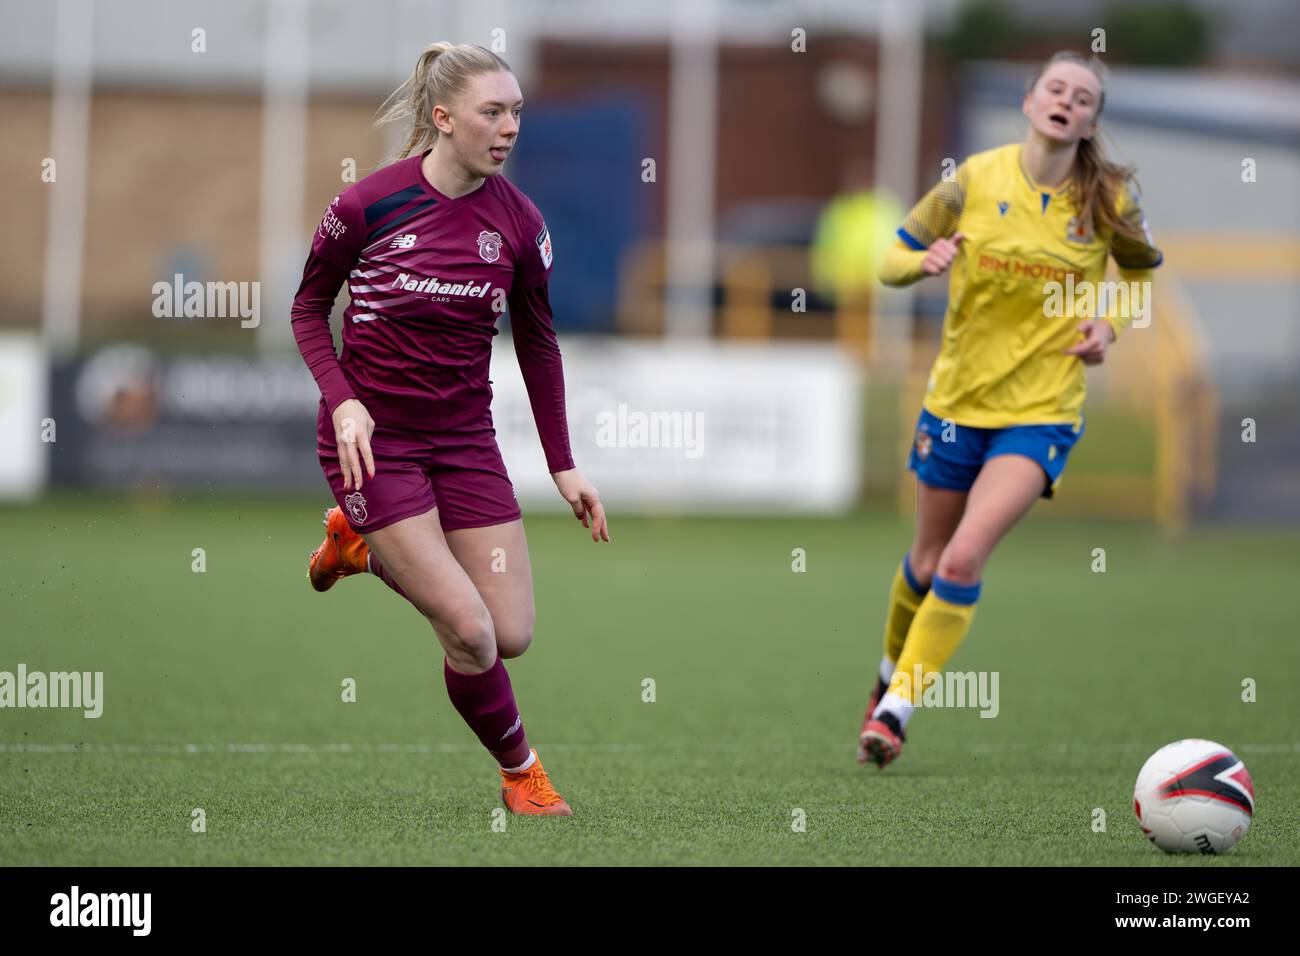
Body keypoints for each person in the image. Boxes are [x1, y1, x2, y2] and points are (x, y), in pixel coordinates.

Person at [291, 42, 610, 813]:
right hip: (375, 445)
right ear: (443, 118)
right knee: (468, 629)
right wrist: (343, 399)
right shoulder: (365, 206)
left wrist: (564, 464)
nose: (509, 128)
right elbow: (307, 310)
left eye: (516, 114)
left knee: (510, 633)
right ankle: (522, 775)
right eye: (491, 112)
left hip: (466, 444)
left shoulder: (521, 224)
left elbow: (538, 343)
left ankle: (359, 549)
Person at [859, 51, 1162, 768]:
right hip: (956, 403)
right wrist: (923, 262)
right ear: (1031, 103)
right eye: (1055, 89)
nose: (1066, 101)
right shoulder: (970, 180)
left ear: (1090, 121)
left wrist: (1109, 326)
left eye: (1082, 97)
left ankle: (896, 711)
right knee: (927, 559)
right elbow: (890, 260)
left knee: (965, 555)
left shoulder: (1109, 198)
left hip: (1042, 408)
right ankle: (887, 676)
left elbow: (1141, 281)